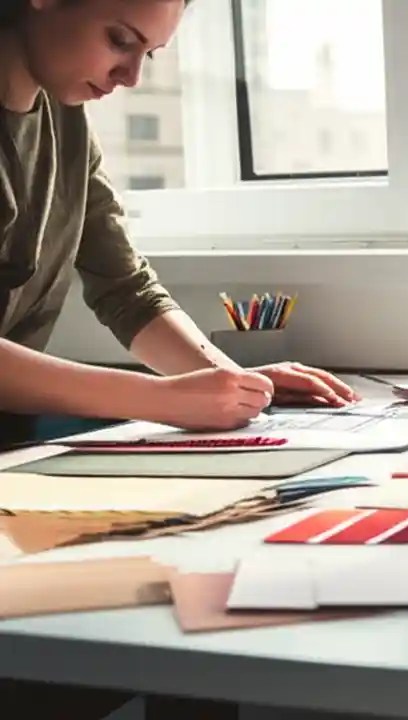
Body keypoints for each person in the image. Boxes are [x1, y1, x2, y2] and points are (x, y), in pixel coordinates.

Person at [0, 0, 359, 453]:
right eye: (120, 41)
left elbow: (127, 290)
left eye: (146, 54)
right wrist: (162, 399)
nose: (130, 77)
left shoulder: (65, 117)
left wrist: (234, 385)